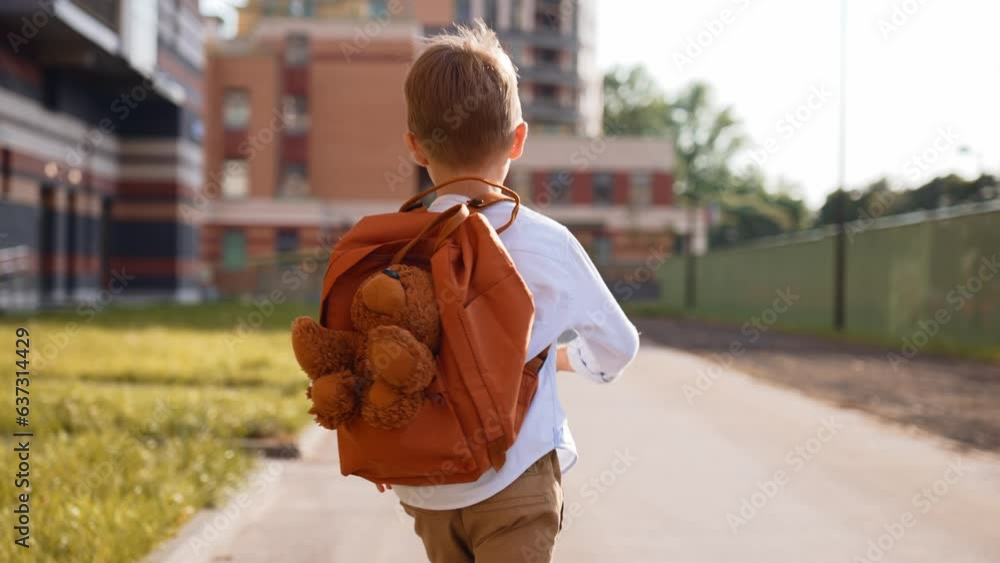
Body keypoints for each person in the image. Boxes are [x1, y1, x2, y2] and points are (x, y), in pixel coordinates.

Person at [387, 20, 640, 563]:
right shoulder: (548, 242)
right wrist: (569, 360)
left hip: (425, 484)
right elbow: (620, 344)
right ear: (519, 139)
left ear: (415, 147)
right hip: (515, 476)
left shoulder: (396, 244)